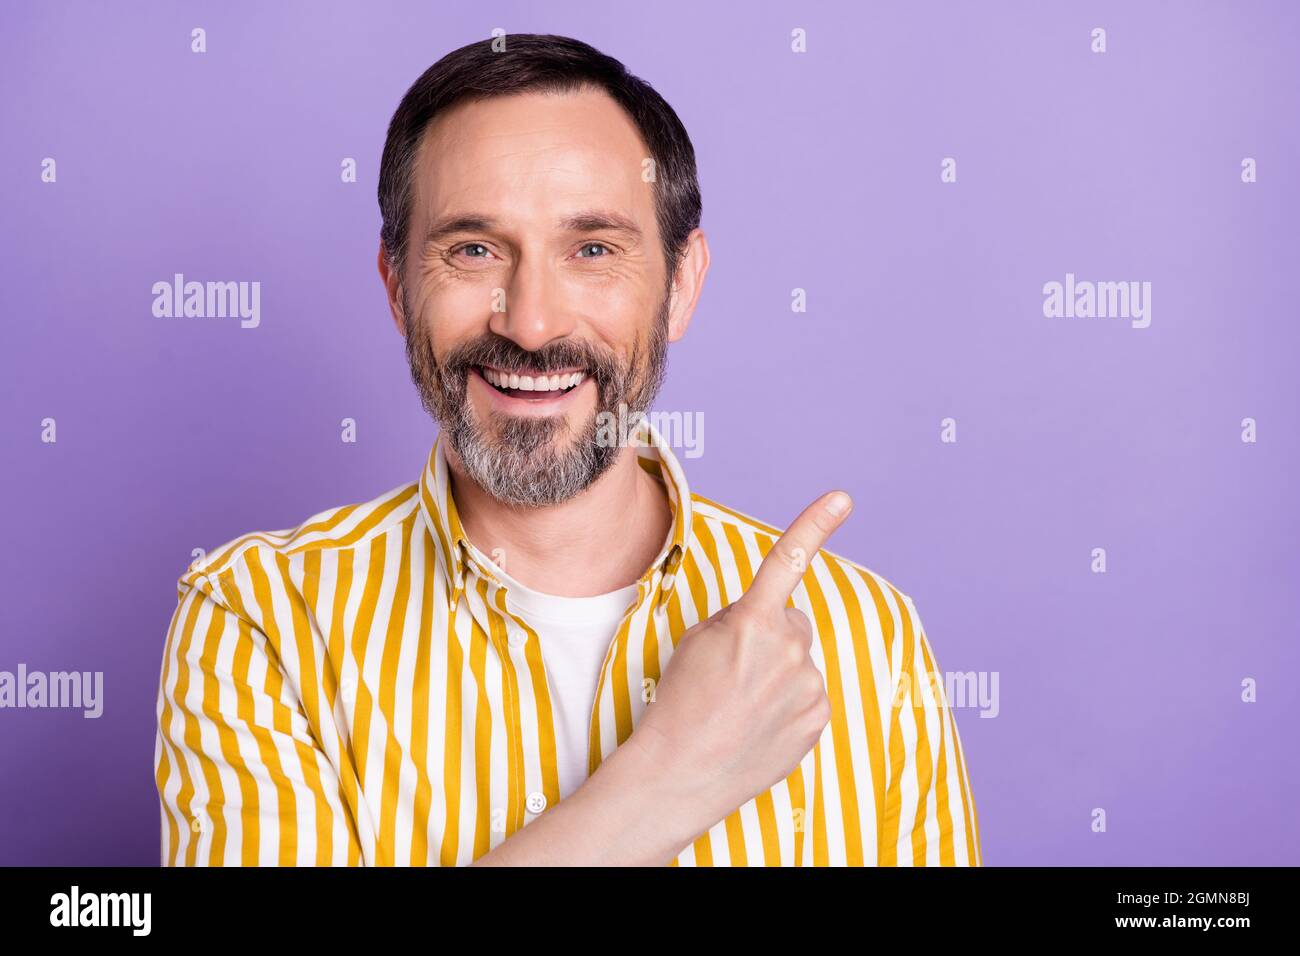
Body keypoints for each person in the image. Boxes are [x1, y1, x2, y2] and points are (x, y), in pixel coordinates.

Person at [154, 33, 980, 866]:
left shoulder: (865, 634)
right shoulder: (260, 619)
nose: (532, 321)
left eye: (593, 250)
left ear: (681, 286)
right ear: (399, 288)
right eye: (473, 250)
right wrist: (672, 778)